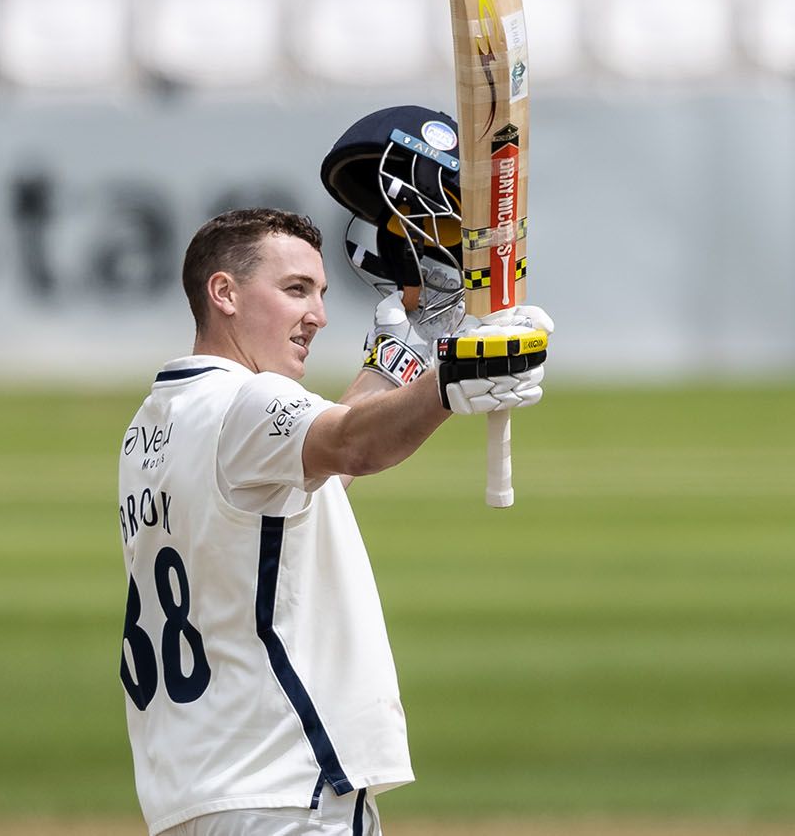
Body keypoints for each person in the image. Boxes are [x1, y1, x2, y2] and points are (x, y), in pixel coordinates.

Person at [116, 202, 551, 836]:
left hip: (199, 799)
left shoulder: (155, 424)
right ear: (224, 293)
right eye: (295, 290)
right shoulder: (246, 402)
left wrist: (398, 361)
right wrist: (454, 377)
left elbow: (316, 469)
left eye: (320, 293)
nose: (318, 315)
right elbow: (351, 444)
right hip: (288, 793)